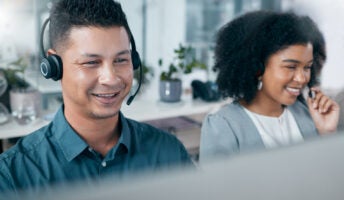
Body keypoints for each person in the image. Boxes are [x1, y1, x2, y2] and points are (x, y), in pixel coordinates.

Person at [0, 0, 192, 195]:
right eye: (91, 62)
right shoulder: (13, 176)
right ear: (55, 66)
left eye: (121, 60)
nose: (110, 78)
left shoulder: (169, 153)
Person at [199, 10, 340, 162]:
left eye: (307, 67)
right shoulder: (223, 125)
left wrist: (326, 133)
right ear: (257, 68)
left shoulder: (307, 113)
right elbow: (217, 185)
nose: (302, 78)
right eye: (291, 67)